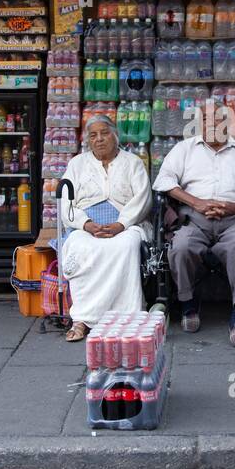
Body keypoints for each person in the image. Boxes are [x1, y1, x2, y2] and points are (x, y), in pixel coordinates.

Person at [152, 101, 235, 348]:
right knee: (180, 245)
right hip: (195, 219)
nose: (211, 124)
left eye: (217, 120)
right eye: (205, 120)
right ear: (199, 123)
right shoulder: (184, 149)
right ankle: (188, 304)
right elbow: (164, 181)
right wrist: (197, 202)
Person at [58, 115, 152, 342]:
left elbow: (144, 198)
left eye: (105, 133)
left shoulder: (133, 163)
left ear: (115, 135)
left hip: (126, 224)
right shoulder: (77, 164)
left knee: (127, 245)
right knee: (80, 247)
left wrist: (121, 225)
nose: (99, 139)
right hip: (87, 226)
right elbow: (65, 200)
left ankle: (127, 318)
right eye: (93, 135)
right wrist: (87, 225)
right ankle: (82, 319)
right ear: (87, 141)